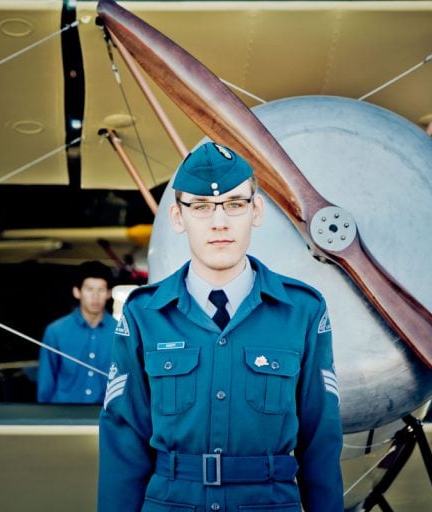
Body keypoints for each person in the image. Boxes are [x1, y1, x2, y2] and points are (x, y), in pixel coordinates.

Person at [98, 141, 343, 511]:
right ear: (177, 217)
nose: (219, 222)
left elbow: (321, 440)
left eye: (234, 204)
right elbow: (123, 442)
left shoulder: (302, 311)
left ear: (256, 210)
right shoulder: (143, 314)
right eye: (200, 207)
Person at [37, 260, 116, 403]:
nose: (95, 296)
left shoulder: (121, 333)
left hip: (107, 420)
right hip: (63, 419)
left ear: (109, 293)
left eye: (101, 289)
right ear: (77, 291)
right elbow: (45, 386)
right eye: (89, 289)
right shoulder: (55, 332)